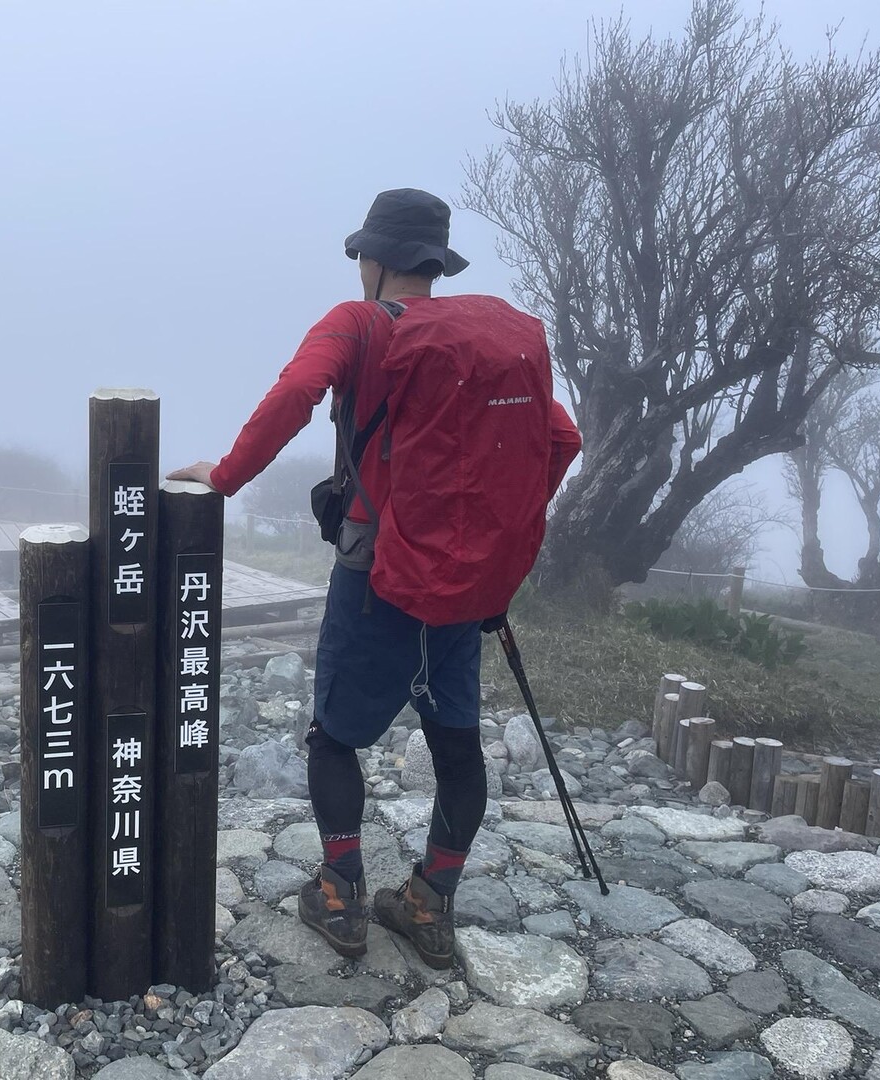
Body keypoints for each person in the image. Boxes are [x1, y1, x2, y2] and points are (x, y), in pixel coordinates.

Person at [167, 188, 581, 968]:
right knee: (457, 747)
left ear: (374, 259)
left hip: (376, 579)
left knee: (333, 735)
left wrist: (223, 479)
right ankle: (428, 903)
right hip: (461, 594)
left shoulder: (358, 324)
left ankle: (340, 894)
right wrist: (492, 540)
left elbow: (296, 395)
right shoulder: (481, 343)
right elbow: (562, 439)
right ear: (437, 262)